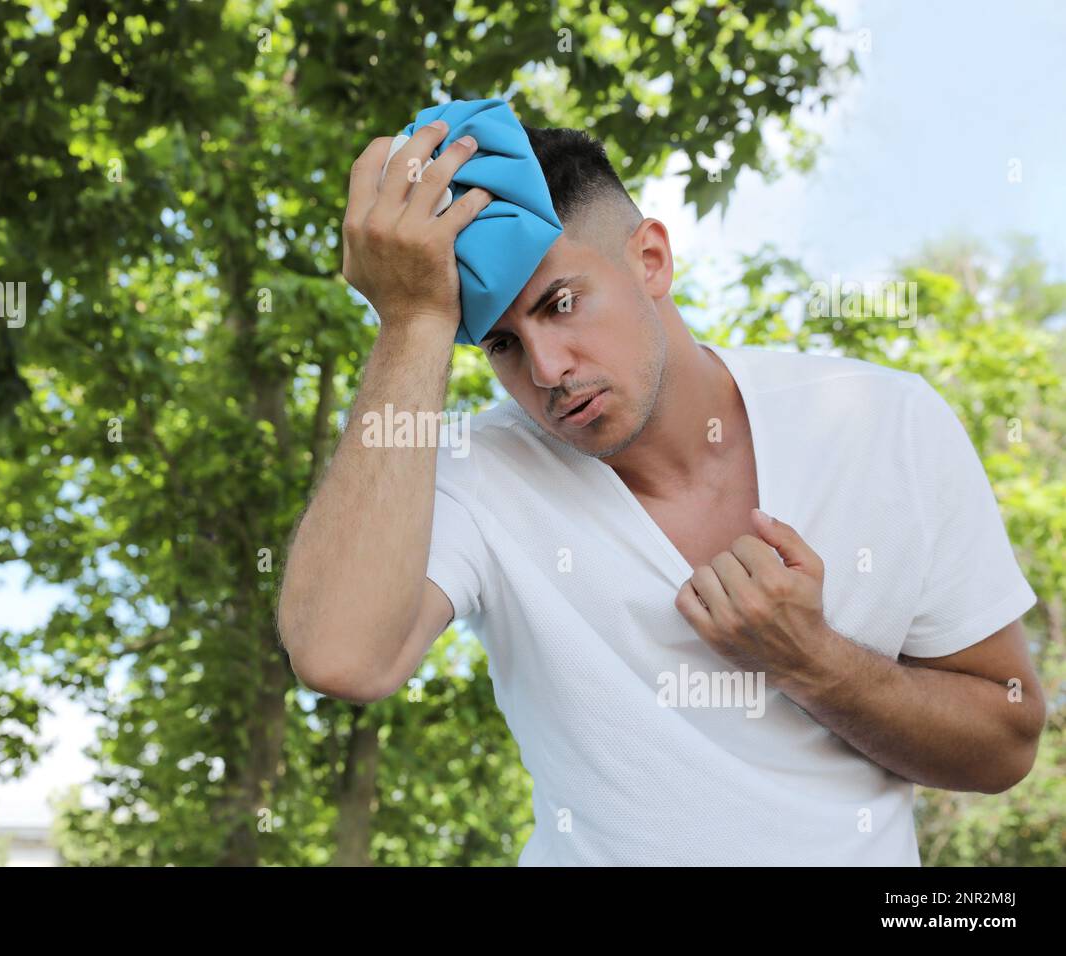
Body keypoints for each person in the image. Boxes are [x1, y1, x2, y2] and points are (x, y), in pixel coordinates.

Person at [277, 119, 1046, 865]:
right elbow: (344, 658)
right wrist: (411, 321)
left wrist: (812, 661)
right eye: (503, 345)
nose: (545, 371)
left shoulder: (884, 421)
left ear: (650, 260)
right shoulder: (479, 470)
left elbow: (1005, 740)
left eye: (560, 304)